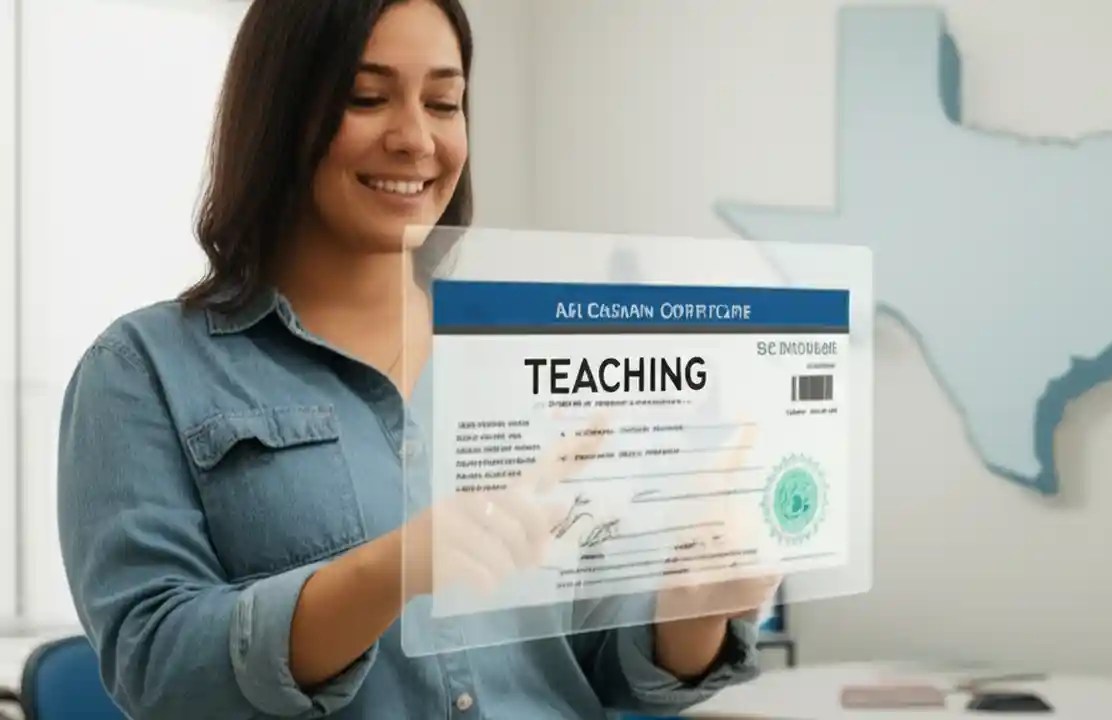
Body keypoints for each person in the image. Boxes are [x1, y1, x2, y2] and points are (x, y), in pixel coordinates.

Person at [56, 0, 775, 718]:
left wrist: (691, 607)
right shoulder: (141, 372)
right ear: (277, 113)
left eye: (443, 102)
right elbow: (157, 668)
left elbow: (601, 656)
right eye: (366, 98)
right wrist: (392, 572)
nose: (415, 139)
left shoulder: (522, 361)